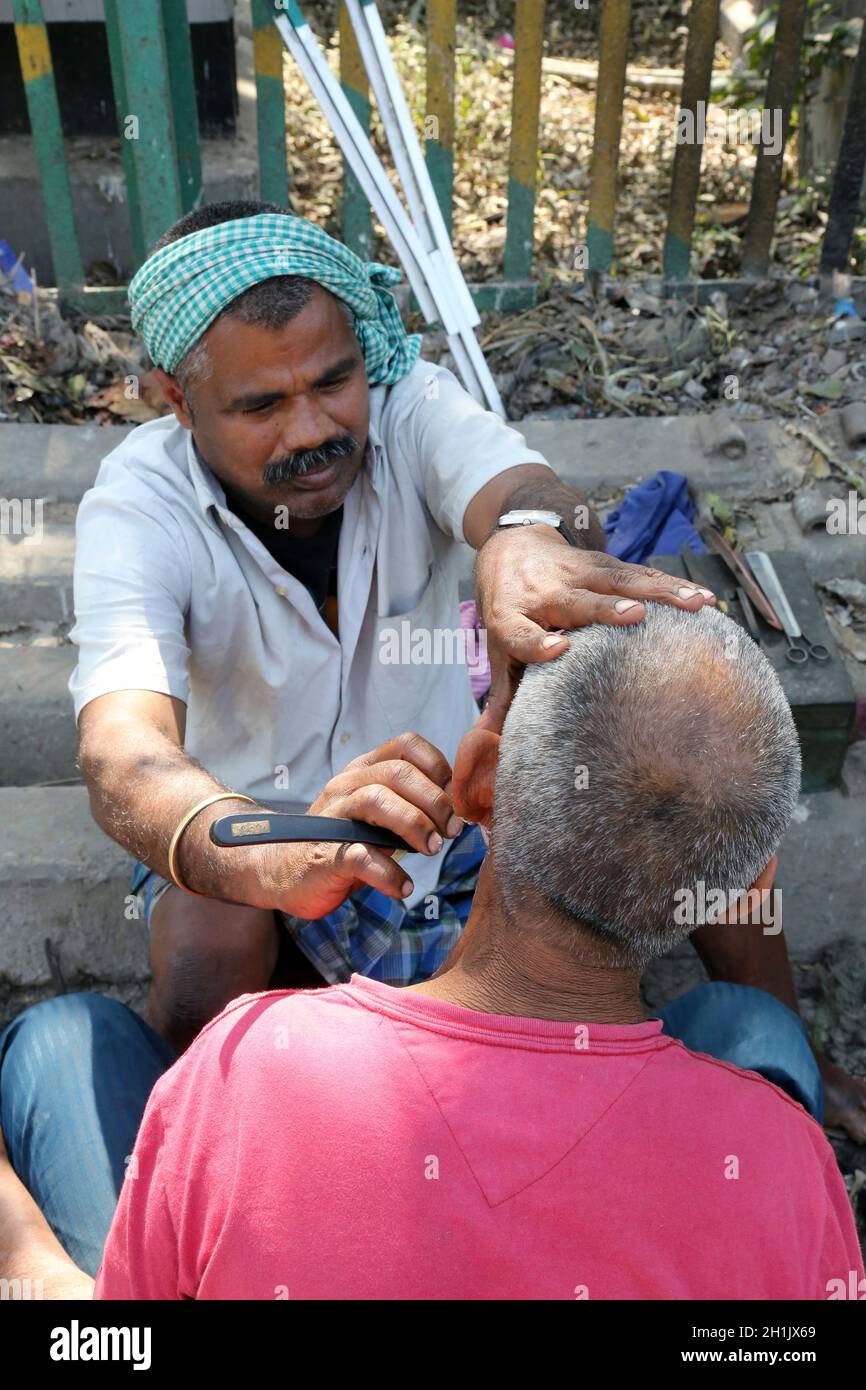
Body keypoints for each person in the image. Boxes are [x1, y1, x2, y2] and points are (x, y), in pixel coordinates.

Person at [67, 199, 866, 1140]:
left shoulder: (411, 408)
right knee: (214, 921)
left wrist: (527, 543)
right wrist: (265, 851)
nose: (312, 430)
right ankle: (196, 1122)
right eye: (261, 405)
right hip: (273, 853)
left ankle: (789, 1044)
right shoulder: (135, 507)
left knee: (689, 768)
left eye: (334, 380)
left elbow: (534, 500)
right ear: (176, 399)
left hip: (450, 826)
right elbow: (124, 756)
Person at [2, 605, 860, 1299]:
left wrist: (31, 1272)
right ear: (752, 885)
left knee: (60, 1043)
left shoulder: (250, 1062)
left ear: (477, 780)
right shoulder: (781, 1162)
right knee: (746, 1021)